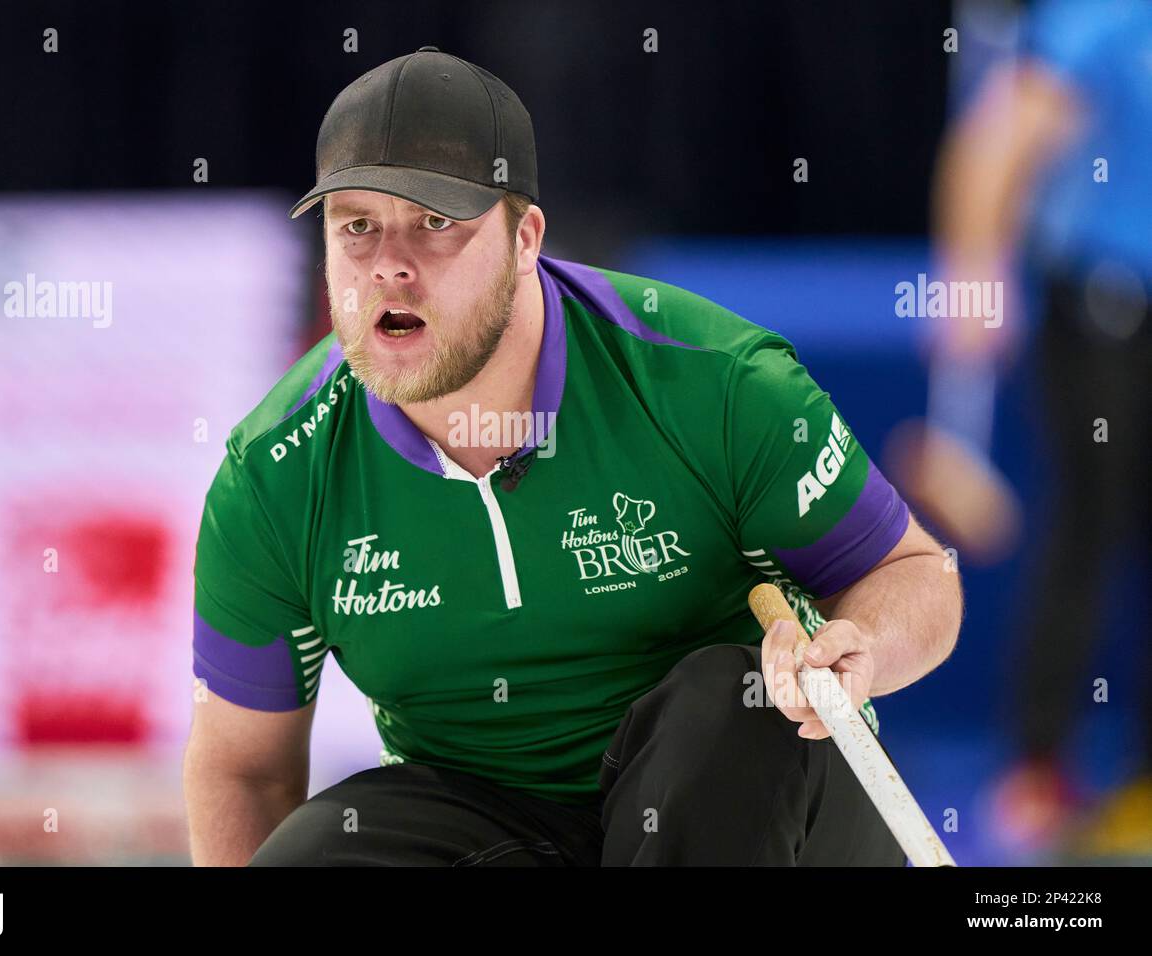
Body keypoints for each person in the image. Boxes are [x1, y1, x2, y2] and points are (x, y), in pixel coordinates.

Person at [182, 46, 962, 866]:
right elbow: (242, 767)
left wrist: (863, 643)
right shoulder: (275, 474)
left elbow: (920, 573)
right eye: (358, 228)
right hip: (502, 825)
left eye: (436, 224)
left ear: (526, 238)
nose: (390, 267)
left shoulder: (711, 385)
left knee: (728, 709)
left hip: (755, 816)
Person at [931, 0, 1152, 857]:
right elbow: (997, 143)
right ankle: (1037, 770)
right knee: (1091, 527)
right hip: (1102, 307)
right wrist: (971, 279)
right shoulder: (1110, 17)